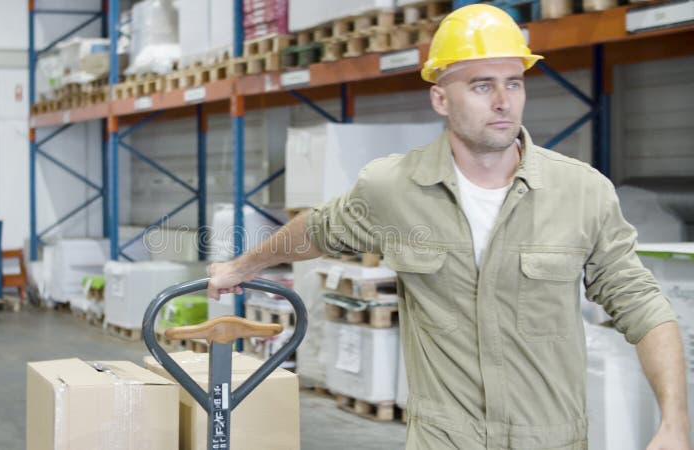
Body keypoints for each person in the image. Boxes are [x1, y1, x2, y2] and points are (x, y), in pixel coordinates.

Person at [207, 4, 691, 449]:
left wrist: (674, 424)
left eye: (514, 82)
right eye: (482, 85)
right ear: (440, 98)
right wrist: (241, 266)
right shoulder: (394, 188)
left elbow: (643, 306)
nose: (503, 100)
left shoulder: (581, 193)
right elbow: (317, 229)